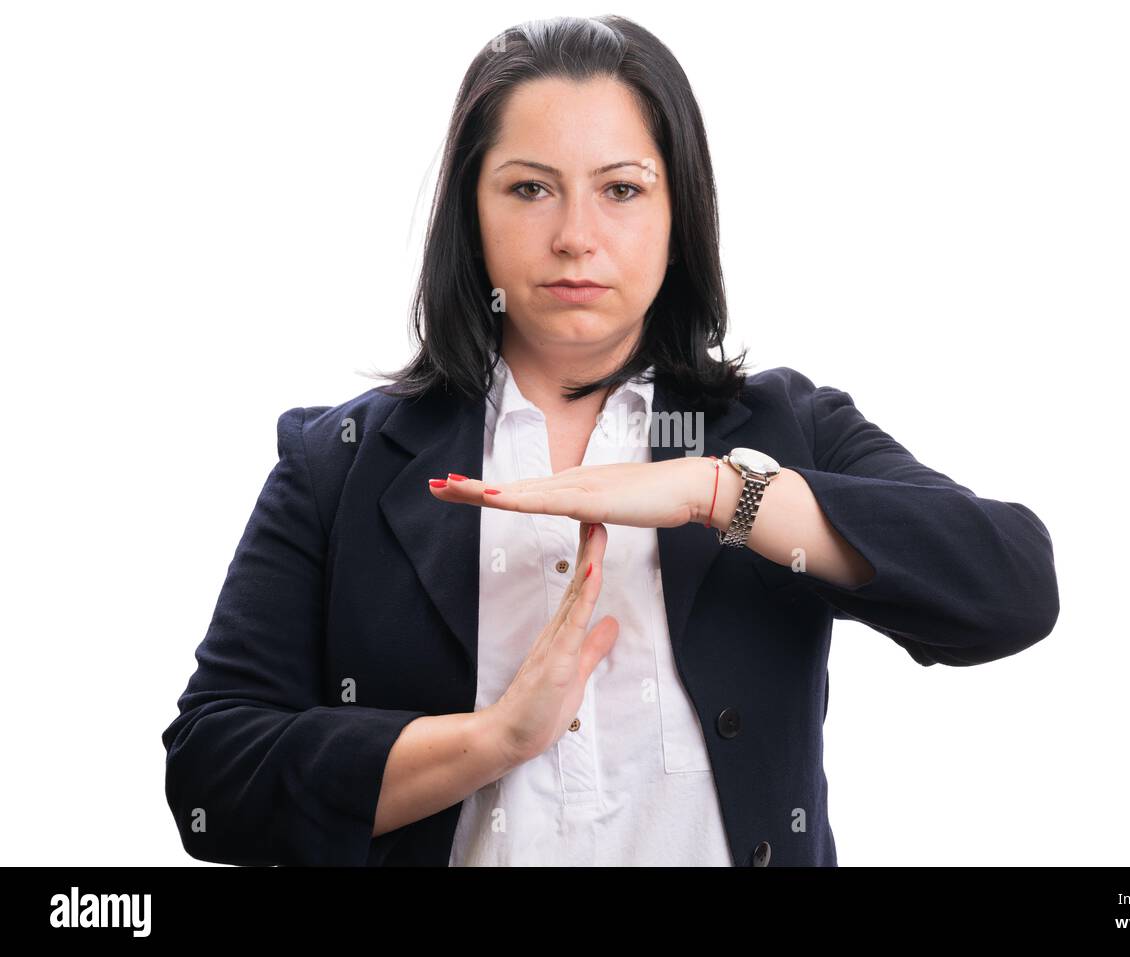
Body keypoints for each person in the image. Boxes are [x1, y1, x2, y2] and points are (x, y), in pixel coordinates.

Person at [161, 15, 1059, 867]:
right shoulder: (341, 460)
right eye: (529, 188)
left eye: (623, 189)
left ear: (680, 215)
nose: (575, 237)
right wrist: (491, 740)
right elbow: (209, 772)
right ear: (470, 215)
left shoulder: (785, 428)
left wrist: (718, 495)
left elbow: (1013, 585)